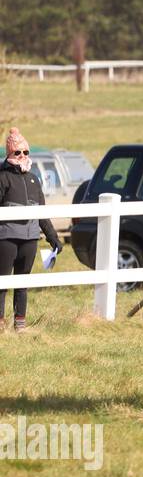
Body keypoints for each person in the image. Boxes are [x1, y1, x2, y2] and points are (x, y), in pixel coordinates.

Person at [0, 127, 61, 332]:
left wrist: (53, 237)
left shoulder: (34, 179)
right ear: (9, 154)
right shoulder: (2, 177)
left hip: (30, 239)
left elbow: (42, 211)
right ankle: (0, 323)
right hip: (6, 238)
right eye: (17, 152)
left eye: (25, 152)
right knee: (2, 283)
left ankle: (20, 324)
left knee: (23, 283)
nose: (22, 156)